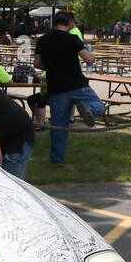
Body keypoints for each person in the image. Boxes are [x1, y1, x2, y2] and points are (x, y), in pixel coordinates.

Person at [35, 12, 104, 167]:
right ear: (69, 23)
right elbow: (88, 58)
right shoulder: (72, 38)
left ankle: (56, 161)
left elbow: (37, 64)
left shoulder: (43, 40)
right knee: (99, 106)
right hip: (76, 85)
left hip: (56, 88)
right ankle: (89, 109)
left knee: (58, 126)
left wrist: (53, 66)